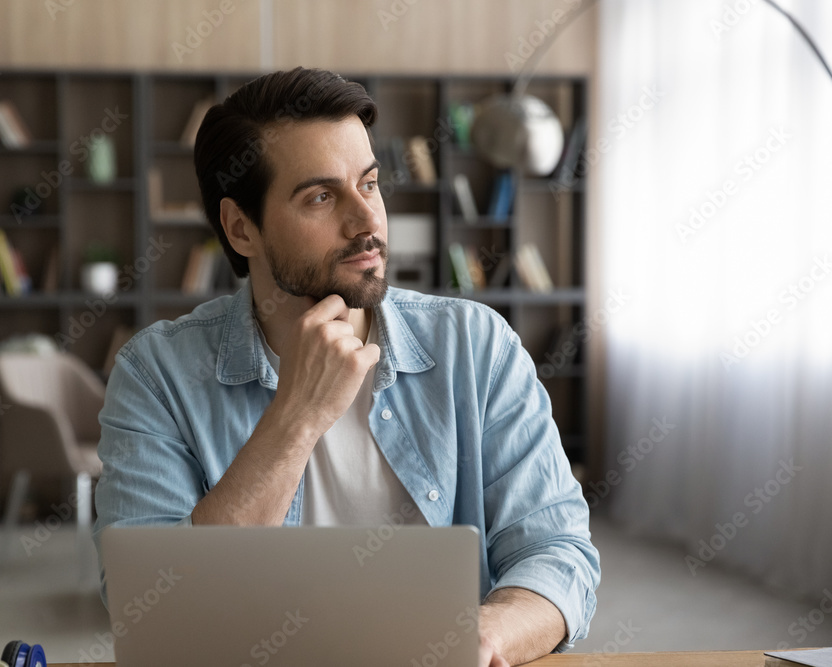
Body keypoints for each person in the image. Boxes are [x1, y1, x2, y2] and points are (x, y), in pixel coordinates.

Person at [93, 67, 599, 667]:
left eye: (371, 184)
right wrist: (297, 417)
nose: (368, 222)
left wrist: (484, 635)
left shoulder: (476, 345)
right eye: (321, 197)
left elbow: (559, 554)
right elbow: (156, 614)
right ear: (241, 228)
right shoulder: (156, 375)